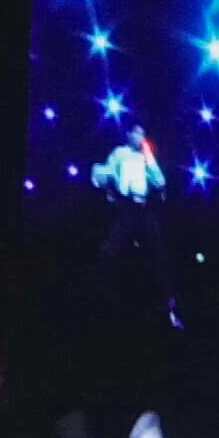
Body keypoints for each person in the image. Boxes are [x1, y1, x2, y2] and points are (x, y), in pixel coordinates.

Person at [90, 124, 177, 328]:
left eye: (143, 134)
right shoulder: (119, 153)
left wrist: (149, 157)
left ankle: (168, 304)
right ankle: (106, 301)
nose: (140, 137)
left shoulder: (145, 156)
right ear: (129, 134)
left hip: (143, 208)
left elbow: (159, 181)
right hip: (126, 206)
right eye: (137, 133)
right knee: (112, 251)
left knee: (157, 253)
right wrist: (108, 185)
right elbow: (104, 173)